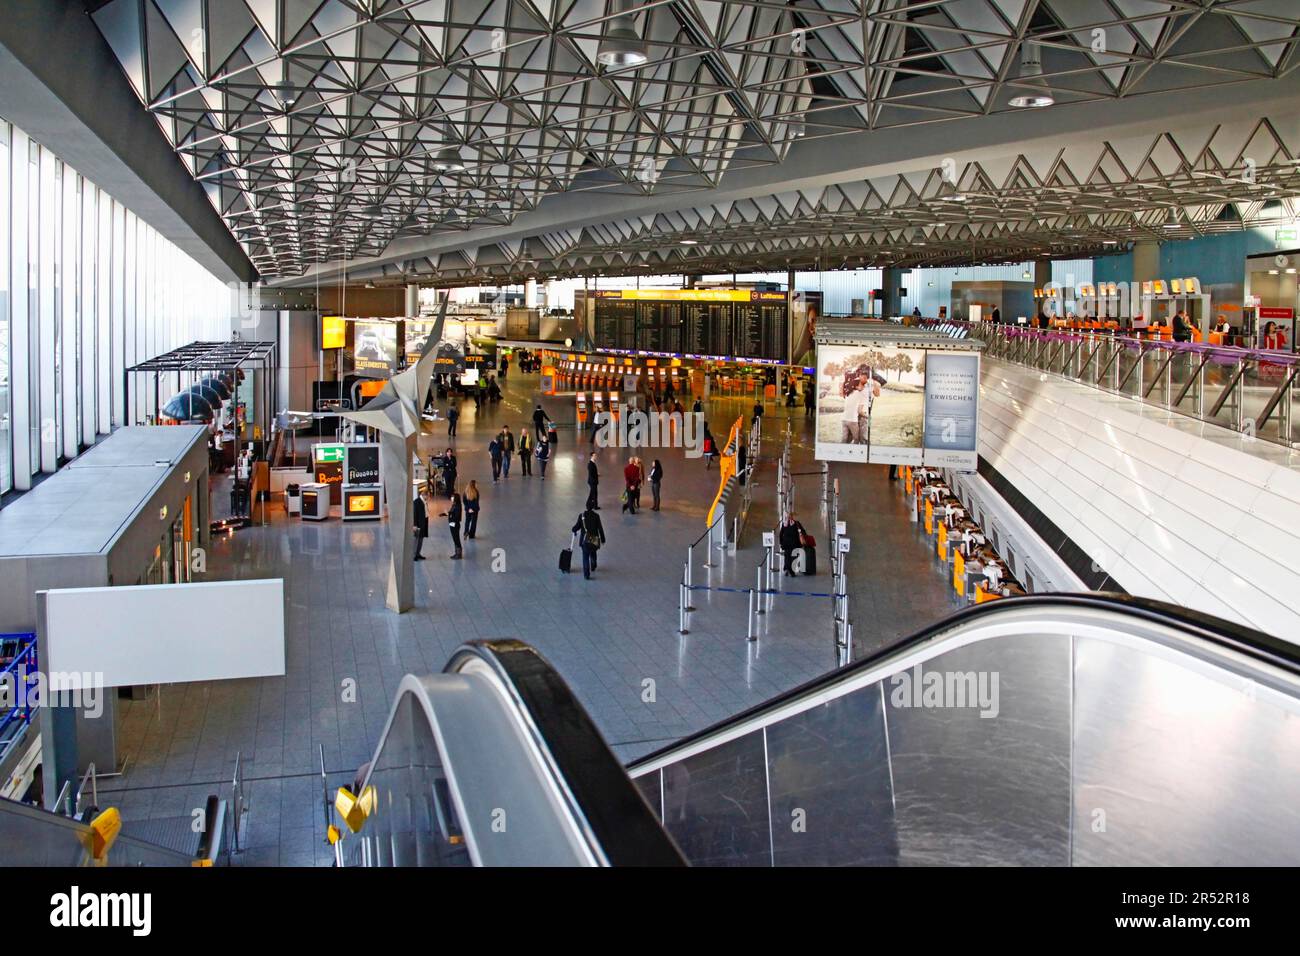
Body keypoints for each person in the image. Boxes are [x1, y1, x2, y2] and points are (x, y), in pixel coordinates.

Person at [572, 506, 606, 580]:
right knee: (593, 552)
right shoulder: (596, 516)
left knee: (585, 557)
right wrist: (603, 539)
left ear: (586, 507)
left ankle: (586, 575)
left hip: (585, 541)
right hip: (594, 540)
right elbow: (600, 528)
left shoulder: (582, 516)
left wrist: (573, 529)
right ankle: (593, 565)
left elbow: (577, 526)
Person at [443, 487, 463, 559]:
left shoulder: (457, 506)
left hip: (455, 524)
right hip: (452, 524)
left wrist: (449, 516)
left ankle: (459, 554)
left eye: (452, 497)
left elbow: (456, 517)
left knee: (456, 539)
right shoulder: (454, 505)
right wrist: (445, 514)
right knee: (455, 539)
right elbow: (451, 513)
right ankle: (456, 553)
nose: (451, 498)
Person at [413, 491, 429, 560]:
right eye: (427, 496)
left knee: (421, 539)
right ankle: (414, 555)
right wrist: (415, 525)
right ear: (424, 495)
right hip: (418, 524)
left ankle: (418, 553)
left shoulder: (424, 501)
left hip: (424, 523)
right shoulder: (416, 502)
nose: (428, 497)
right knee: (416, 540)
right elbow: (414, 514)